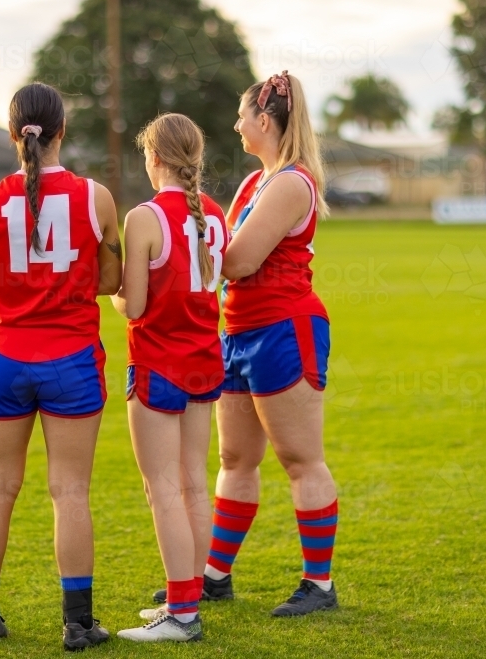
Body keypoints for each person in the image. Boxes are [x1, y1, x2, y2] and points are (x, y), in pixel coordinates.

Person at [152, 70, 340, 617]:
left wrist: (185, 254)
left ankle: (320, 585)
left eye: (242, 116)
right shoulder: (254, 182)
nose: (235, 125)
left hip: (284, 329)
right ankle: (215, 576)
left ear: (265, 119)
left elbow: (236, 259)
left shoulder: (289, 181)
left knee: (300, 459)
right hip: (238, 330)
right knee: (235, 458)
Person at [0, 82, 122, 649]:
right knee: (71, 492)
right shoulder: (95, 197)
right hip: (71, 360)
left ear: (13, 134)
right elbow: (110, 281)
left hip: (4, 359)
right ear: (62, 132)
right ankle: (78, 623)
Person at [112, 113, 228, 642]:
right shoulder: (216, 215)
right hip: (204, 360)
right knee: (192, 484)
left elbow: (133, 304)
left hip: (159, 363)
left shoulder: (143, 217)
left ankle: (182, 614)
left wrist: (111, 291)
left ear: (153, 157)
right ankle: (188, 595)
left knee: (162, 488)